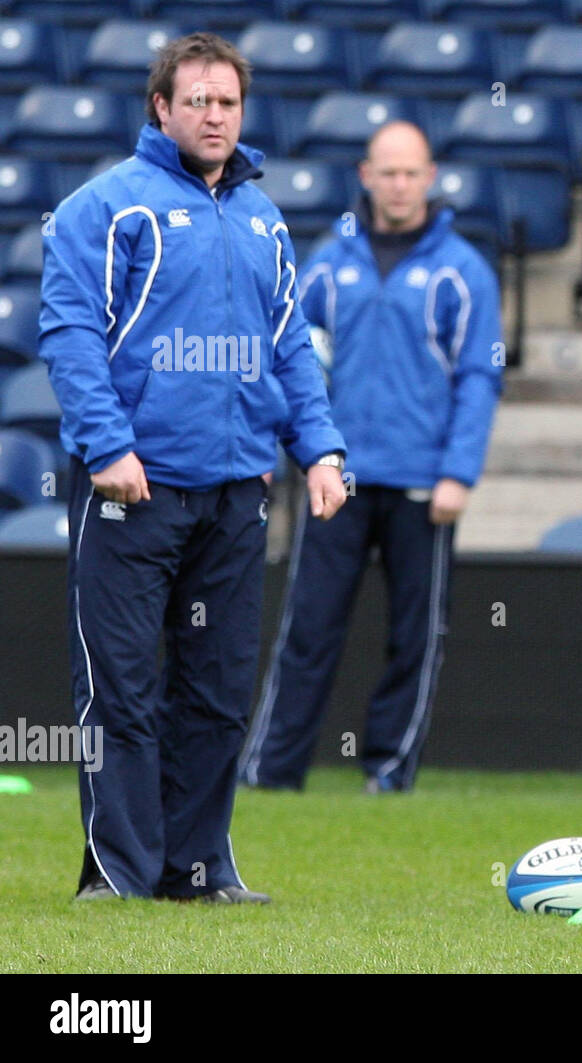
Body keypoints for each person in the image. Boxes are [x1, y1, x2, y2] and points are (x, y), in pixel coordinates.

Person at [39, 33, 348, 902]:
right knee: (123, 688)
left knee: (217, 696)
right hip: (131, 488)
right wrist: (107, 447)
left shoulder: (262, 217)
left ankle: (197, 868)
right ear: (162, 109)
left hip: (236, 491)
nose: (216, 115)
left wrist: (319, 449)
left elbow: (290, 346)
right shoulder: (107, 207)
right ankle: (118, 874)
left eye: (229, 102)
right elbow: (69, 334)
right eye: (200, 100)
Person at [238, 121, 503, 794]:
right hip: (336, 478)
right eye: (388, 172)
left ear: (431, 176)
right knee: (308, 628)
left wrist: (458, 471)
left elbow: (479, 378)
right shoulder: (328, 260)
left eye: (411, 172)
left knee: (415, 636)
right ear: (366, 175)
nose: (400, 184)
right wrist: (282, 446)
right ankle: (272, 771)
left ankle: (389, 771)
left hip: (423, 481)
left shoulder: (464, 270)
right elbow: (293, 365)